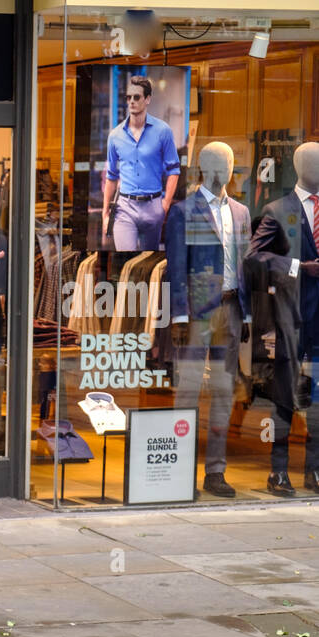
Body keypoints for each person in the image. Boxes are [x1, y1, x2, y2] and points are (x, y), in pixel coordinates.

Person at [165, 142, 251, 498]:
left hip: (230, 310)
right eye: (219, 161)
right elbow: (176, 267)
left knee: (223, 391)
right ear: (203, 167)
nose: (226, 168)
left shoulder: (242, 212)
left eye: (230, 161)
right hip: (198, 313)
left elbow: (243, 264)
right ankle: (178, 469)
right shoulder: (184, 212)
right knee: (187, 391)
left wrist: (245, 313)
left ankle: (215, 471)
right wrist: (180, 315)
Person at [247, 142, 319, 495]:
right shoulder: (278, 210)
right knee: (284, 396)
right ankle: (278, 471)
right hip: (290, 316)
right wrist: (297, 267)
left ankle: (315, 469)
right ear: (299, 167)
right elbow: (254, 257)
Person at [101, 75, 181, 252]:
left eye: (136, 97)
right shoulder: (115, 136)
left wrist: (165, 204)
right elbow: (111, 177)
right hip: (125, 208)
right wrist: (105, 213)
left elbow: (174, 170)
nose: (131, 101)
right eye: (128, 97)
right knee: (125, 258)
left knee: (148, 262)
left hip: (153, 206)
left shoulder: (163, 131)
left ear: (147, 99)